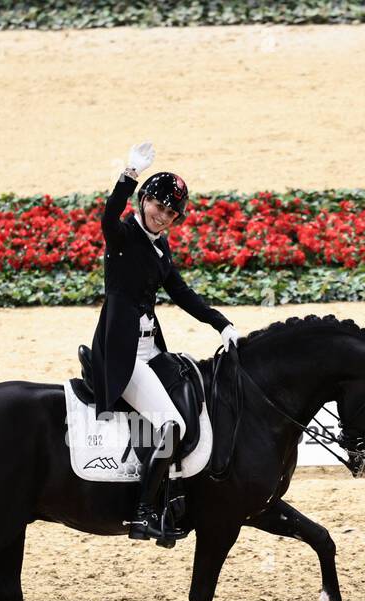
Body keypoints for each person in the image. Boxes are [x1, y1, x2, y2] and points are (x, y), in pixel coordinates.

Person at [89, 141, 242, 544]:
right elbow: (107, 216)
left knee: (193, 392)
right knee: (170, 424)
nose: (163, 216)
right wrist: (129, 174)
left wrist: (221, 324)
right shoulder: (123, 235)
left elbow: (181, 293)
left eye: (171, 213)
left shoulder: (161, 246)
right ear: (144, 201)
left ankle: (178, 492)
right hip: (124, 355)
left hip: (151, 349)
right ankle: (144, 512)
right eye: (159, 206)